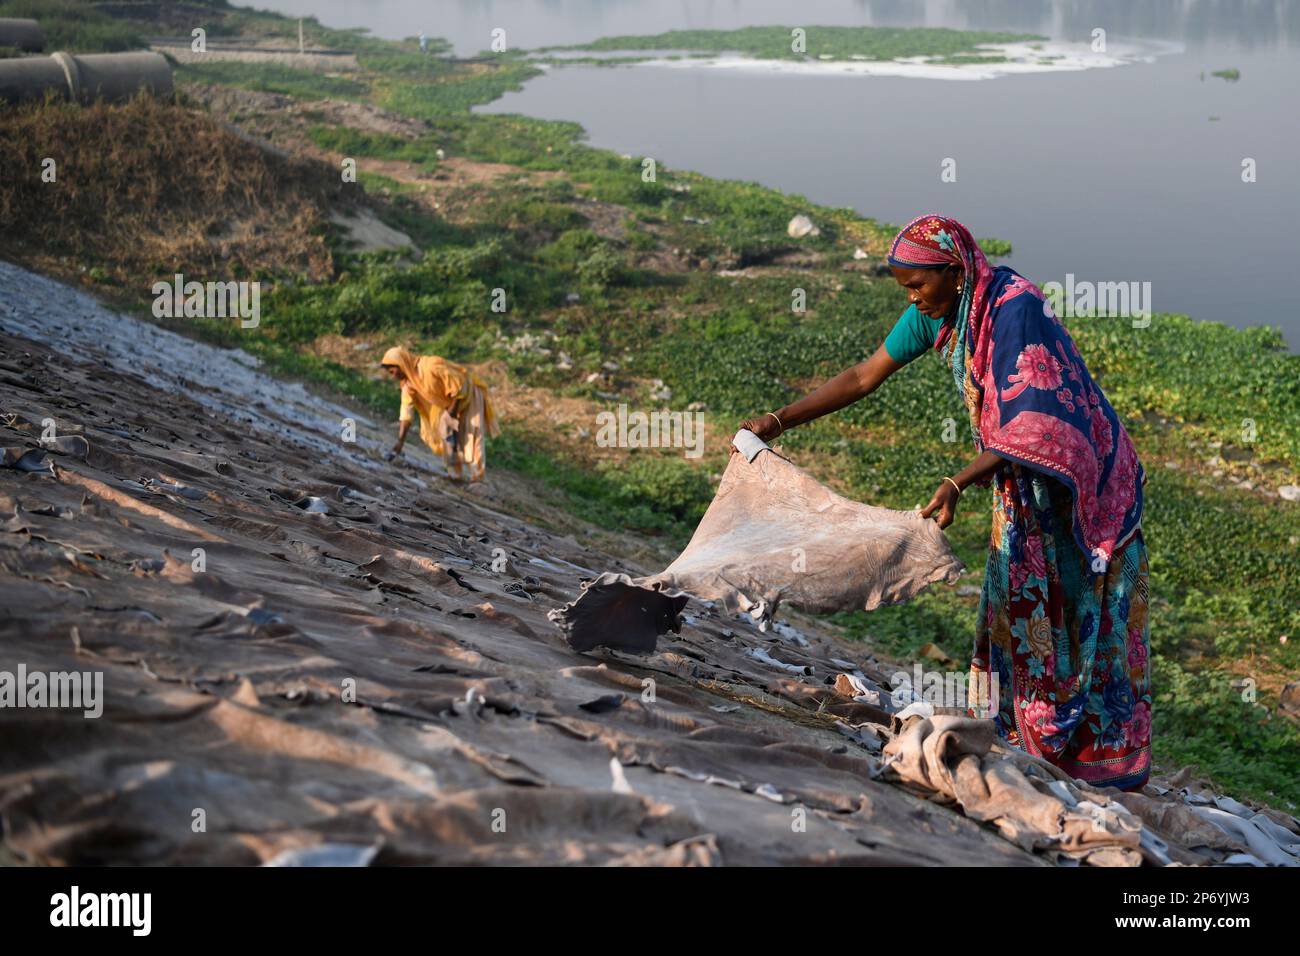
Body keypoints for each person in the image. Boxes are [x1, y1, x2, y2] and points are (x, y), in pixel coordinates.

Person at [738, 214, 1151, 791]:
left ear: (956, 271)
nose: (913, 298)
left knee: (1084, 609)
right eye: (905, 288)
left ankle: (1101, 757)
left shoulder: (1015, 309)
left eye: (918, 286)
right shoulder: (944, 312)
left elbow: (1034, 423)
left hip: (1086, 484)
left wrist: (958, 482)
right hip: (1021, 478)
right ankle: (1033, 735)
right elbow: (863, 376)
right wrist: (777, 421)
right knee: (1021, 599)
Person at [381, 346, 499, 482]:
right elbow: (406, 414)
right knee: (446, 436)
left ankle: (478, 479)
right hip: (449, 404)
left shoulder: (431, 366)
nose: (393, 376)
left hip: (468, 396)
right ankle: (455, 476)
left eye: (393, 371)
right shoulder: (408, 385)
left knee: (472, 435)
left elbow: (459, 385)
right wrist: (400, 442)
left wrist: (451, 414)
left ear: (401, 363)